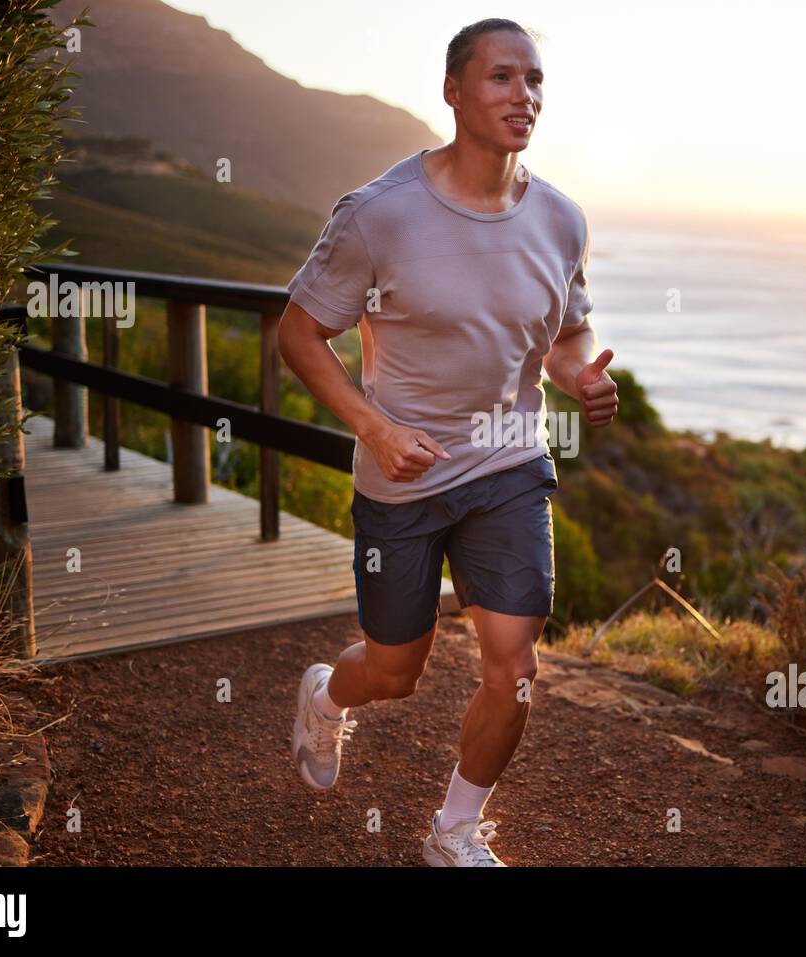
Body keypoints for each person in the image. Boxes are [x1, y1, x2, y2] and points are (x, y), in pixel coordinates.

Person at [277, 17, 618, 867]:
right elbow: (297, 334)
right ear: (454, 91)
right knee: (395, 669)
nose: (524, 95)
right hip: (404, 475)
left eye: (534, 80)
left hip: (509, 462)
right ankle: (327, 697)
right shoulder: (378, 215)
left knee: (515, 662)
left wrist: (578, 376)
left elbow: (567, 334)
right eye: (502, 77)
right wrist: (374, 427)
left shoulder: (561, 220)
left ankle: (453, 830)